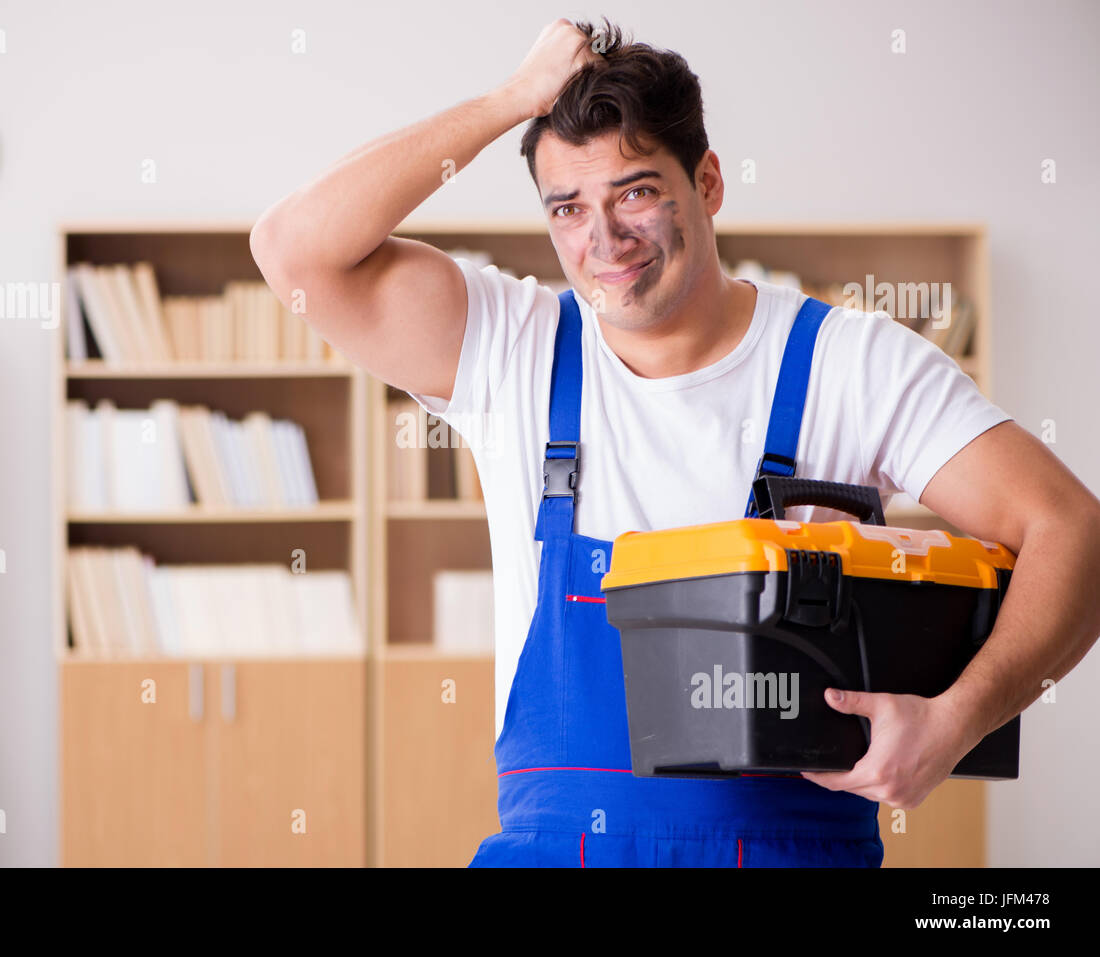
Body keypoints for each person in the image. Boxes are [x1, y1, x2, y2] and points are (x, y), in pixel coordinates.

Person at [250, 17, 1100, 867]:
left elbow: (1073, 531)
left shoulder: (851, 363)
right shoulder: (512, 348)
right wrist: (510, 101)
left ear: (709, 181)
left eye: (634, 192)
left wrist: (957, 720)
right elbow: (295, 252)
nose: (603, 241)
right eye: (569, 208)